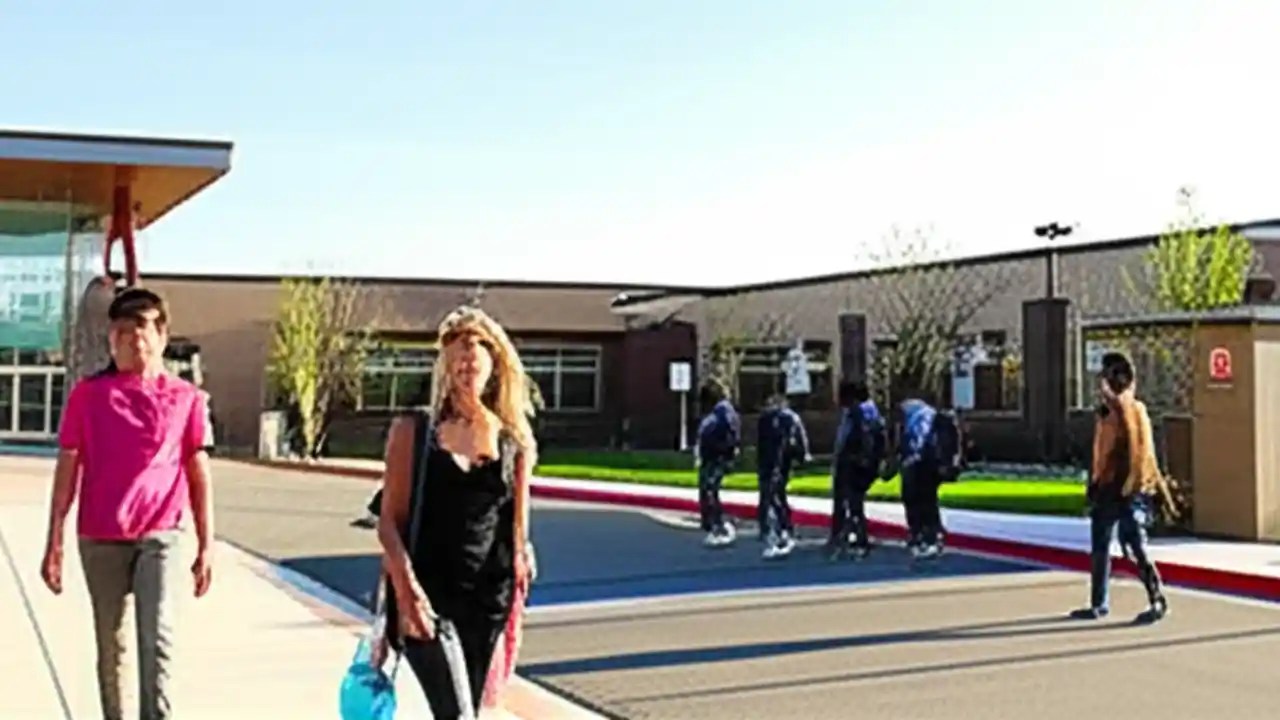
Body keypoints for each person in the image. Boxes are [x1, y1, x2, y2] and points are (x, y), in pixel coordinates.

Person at [40, 287, 215, 720]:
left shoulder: (186, 399)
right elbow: (67, 470)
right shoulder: (88, 396)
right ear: (109, 338)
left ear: (161, 334)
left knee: (157, 638)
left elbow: (198, 473)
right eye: (120, 330)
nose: (130, 338)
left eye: (141, 328)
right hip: (101, 534)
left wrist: (206, 544)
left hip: (161, 532)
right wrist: (54, 539)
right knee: (111, 643)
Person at [377, 306, 536, 717]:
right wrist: (406, 592)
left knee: (465, 713)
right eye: (458, 354)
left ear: (493, 363)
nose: (467, 362)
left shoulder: (513, 442)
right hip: (426, 597)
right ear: (445, 365)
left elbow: (516, 533)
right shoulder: (414, 431)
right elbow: (389, 524)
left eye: (476, 352)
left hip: (485, 605)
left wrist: (522, 563)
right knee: (458, 715)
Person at [1071, 352, 1169, 624]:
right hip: (1110, 489)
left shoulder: (1129, 411)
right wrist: (1095, 481)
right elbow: (1100, 454)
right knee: (1101, 546)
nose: (1101, 384)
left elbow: (1137, 454)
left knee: (1134, 547)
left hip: (1126, 489)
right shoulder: (1110, 413)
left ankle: (1157, 598)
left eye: (1105, 377)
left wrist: (1130, 483)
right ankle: (1098, 602)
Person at [827, 381, 886, 560]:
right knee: (854, 502)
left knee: (848, 501)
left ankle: (848, 537)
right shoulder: (872, 412)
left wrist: (857, 458)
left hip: (852, 463)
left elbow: (861, 437)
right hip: (864, 463)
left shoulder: (858, 412)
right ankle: (855, 535)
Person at [757, 394, 812, 560]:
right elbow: (799, 440)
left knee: (770, 495)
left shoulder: (767, 419)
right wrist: (802, 456)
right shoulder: (790, 418)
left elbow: (761, 442)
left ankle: (777, 530)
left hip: (770, 461)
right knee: (776, 494)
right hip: (782, 461)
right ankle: (782, 528)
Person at [894, 392, 946, 559]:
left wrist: (906, 458)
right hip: (931, 466)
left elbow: (916, 441)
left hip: (918, 466)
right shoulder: (930, 415)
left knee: (915, 501)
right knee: (928, 501)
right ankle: (930, 533)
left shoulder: (916, 419)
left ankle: (923, 535)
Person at [694, 382, 741, 548]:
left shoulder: (724, 412)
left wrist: (727, 452)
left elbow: (731, 434)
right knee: (708, 489)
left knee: (709, 489)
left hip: (717, 457)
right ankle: (713, 523)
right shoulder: (717, 412)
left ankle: (718, 525)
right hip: (712, 456)